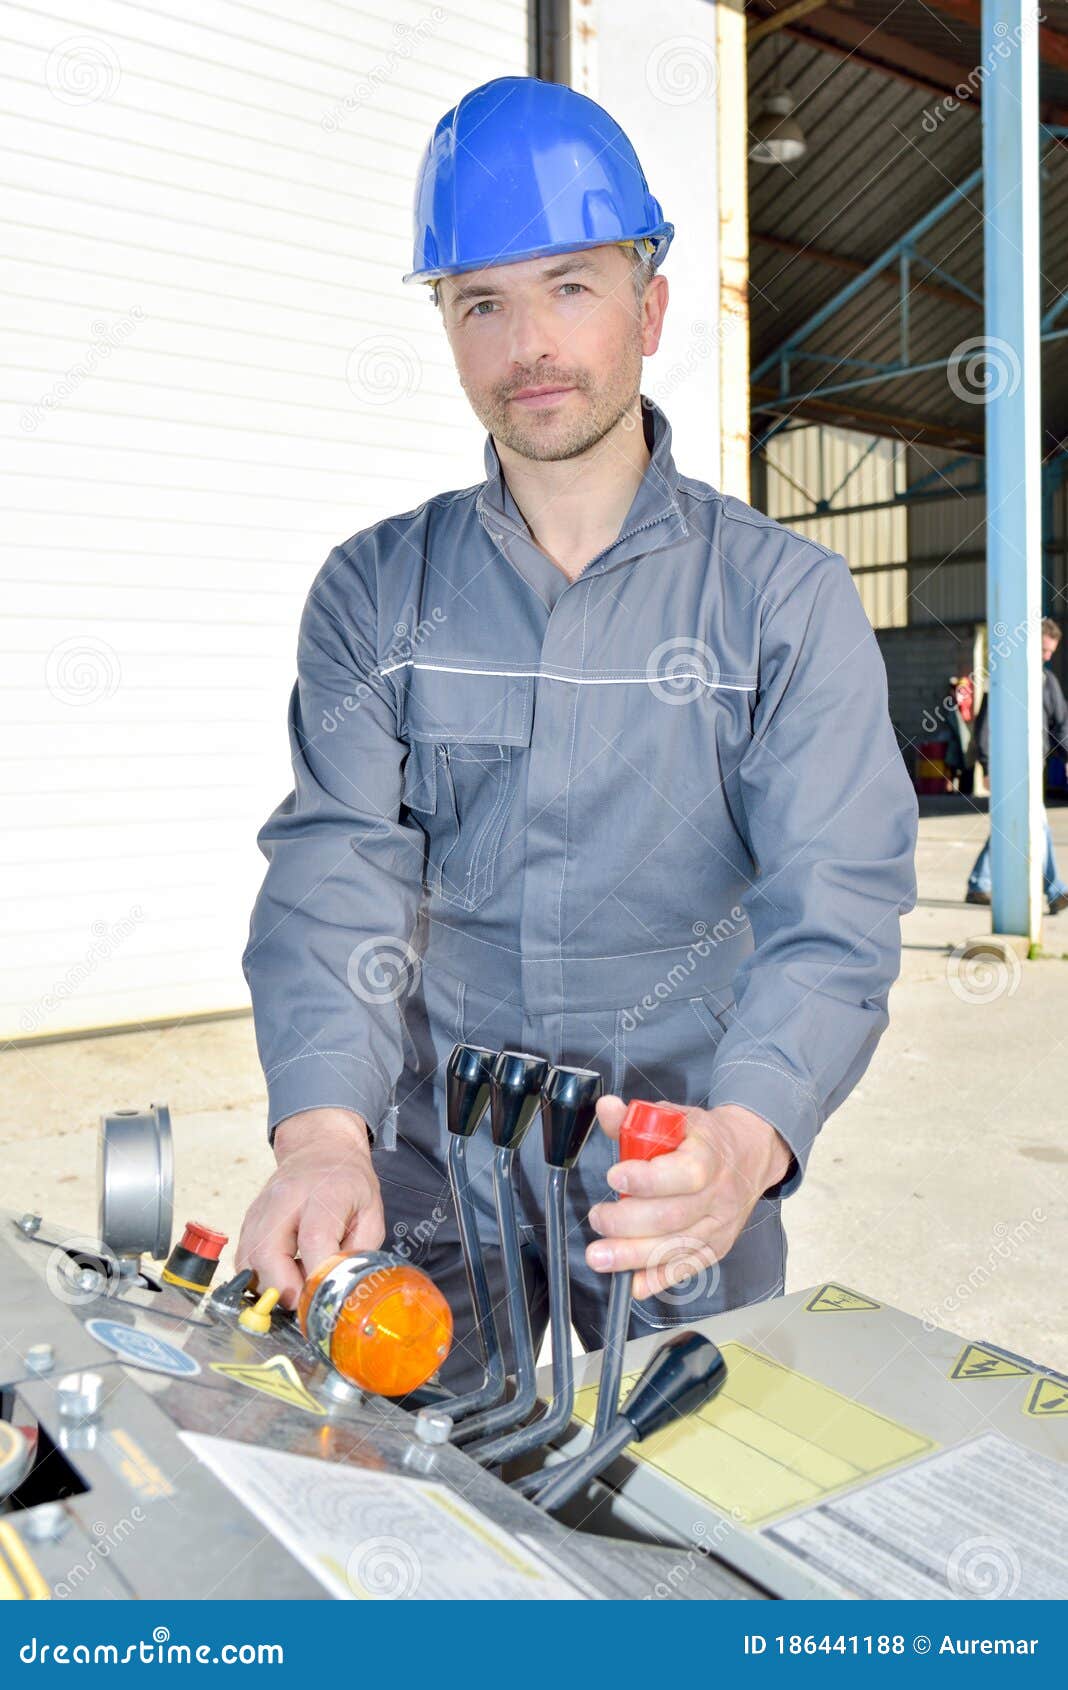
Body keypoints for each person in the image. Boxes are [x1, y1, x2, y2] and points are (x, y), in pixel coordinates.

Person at [236, 77, 918, 1390]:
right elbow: (336, 868)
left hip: (676, 1175)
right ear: (445, 327)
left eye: (569, 286)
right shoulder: (376, 593)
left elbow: (833, 896)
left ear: (650, 306)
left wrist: (750, 1134)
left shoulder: (779, 602)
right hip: (432, 1167)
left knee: (676, 1536)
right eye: (477, 301)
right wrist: (320, 1131)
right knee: (414, 1505)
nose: (526, 344)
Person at [966, 616, 1068, 915]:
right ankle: (1054, 889)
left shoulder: (1048, 683)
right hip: (1006, 767)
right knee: (1036, 822)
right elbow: (985, 725)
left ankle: (978, 882)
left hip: (1034, 767)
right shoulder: (1004, 677)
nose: (1047, 657)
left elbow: (1061, 724)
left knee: (1014, 824)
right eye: (1044, 650)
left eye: (1051, 652)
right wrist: (987, 766)